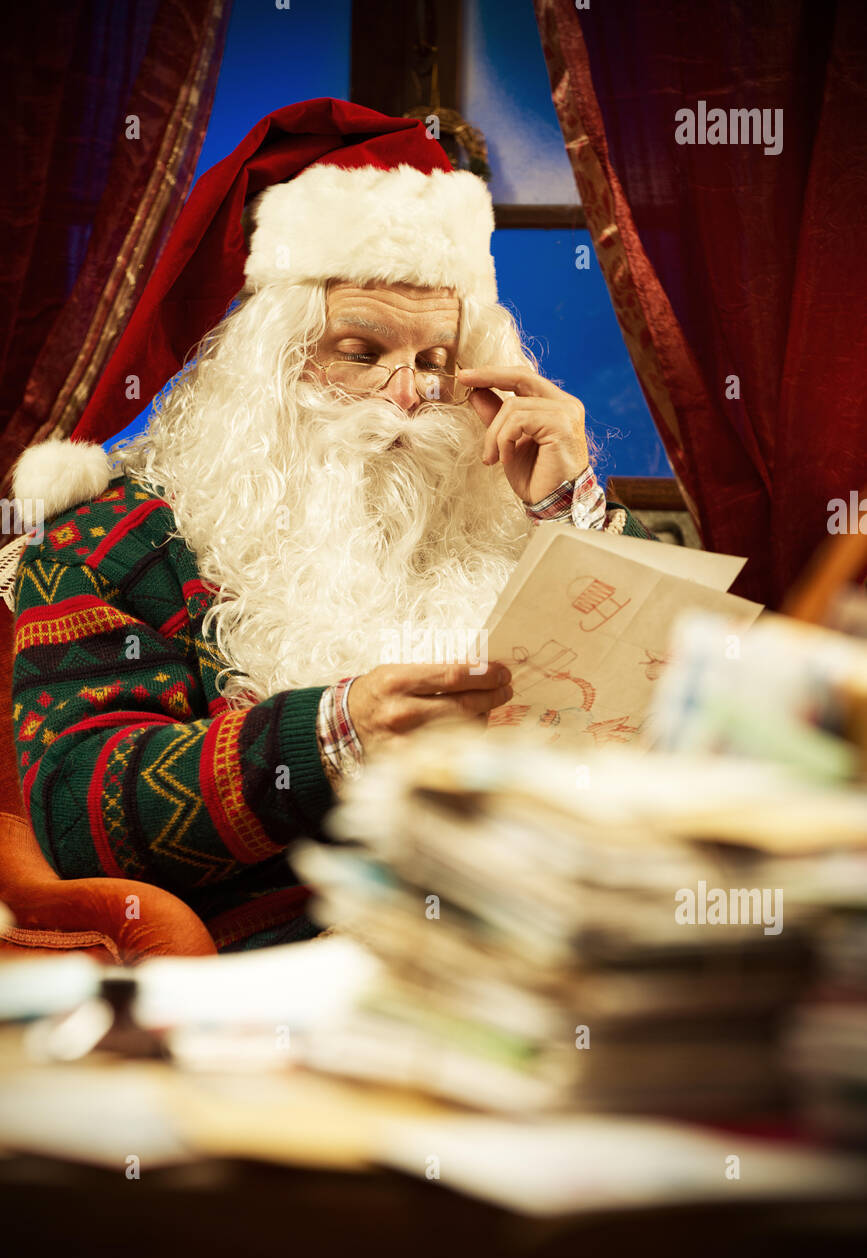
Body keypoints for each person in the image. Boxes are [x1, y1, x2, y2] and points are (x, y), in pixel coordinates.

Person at [7, 100, 654, 951]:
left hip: (563, 931)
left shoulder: (503, 515)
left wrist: (565, 512)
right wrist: (333, 735)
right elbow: (81, 810)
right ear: (264, 363)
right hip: (299, 956)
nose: (409, 397)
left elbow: (669, 708)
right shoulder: (108, 540)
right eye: (359, 351)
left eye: (435, 361)